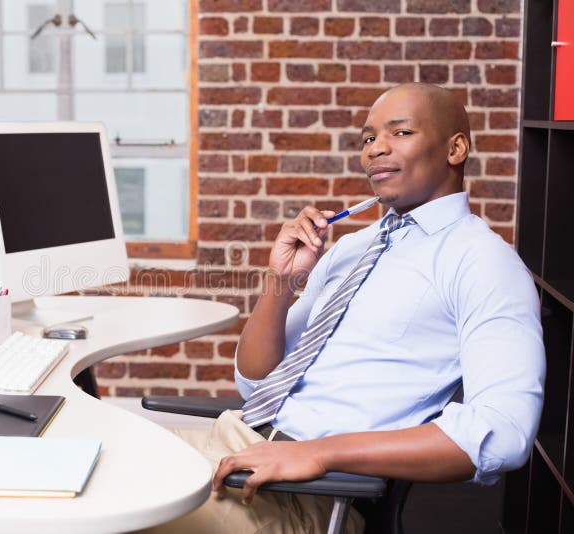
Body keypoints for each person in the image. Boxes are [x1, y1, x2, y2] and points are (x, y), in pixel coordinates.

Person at [144, 83, 545, 534]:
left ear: (455, 148)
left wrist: (319, 453)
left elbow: (505, 432)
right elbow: (256, 383)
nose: (376, 149)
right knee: (79, 460)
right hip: (235, 443)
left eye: (401, 132)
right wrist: (281, 282)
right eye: (368, 138)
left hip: (307, 497)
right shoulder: (352, 248)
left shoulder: (484, 262)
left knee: (95, 514)